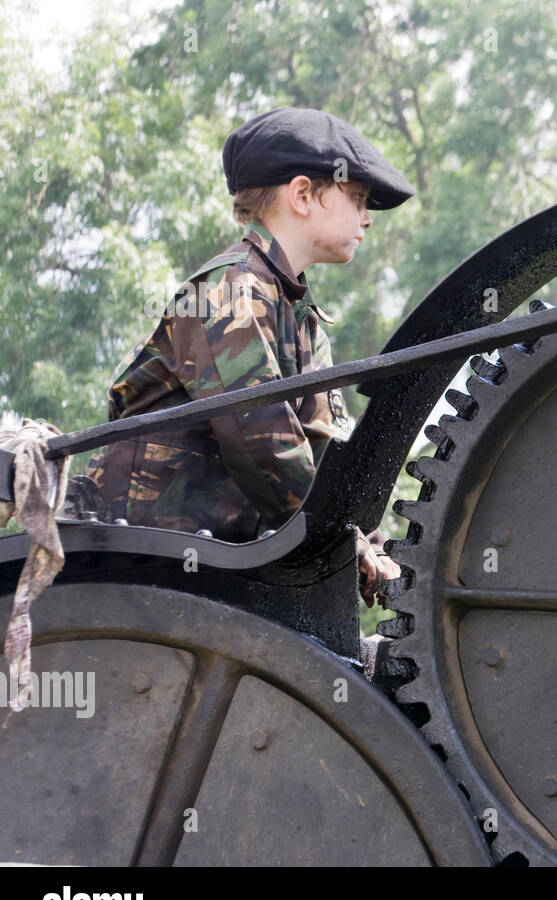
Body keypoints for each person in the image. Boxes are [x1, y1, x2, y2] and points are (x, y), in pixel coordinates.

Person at [84, 107, 407, 606]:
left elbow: (322, 451)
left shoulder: (297, 313)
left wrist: (374, 547)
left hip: (211, 562)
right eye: (358, 198)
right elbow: (264, 445)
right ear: (302, 195)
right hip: (139, 558)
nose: (366, 218)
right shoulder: (229, 291)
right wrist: (352, 549)